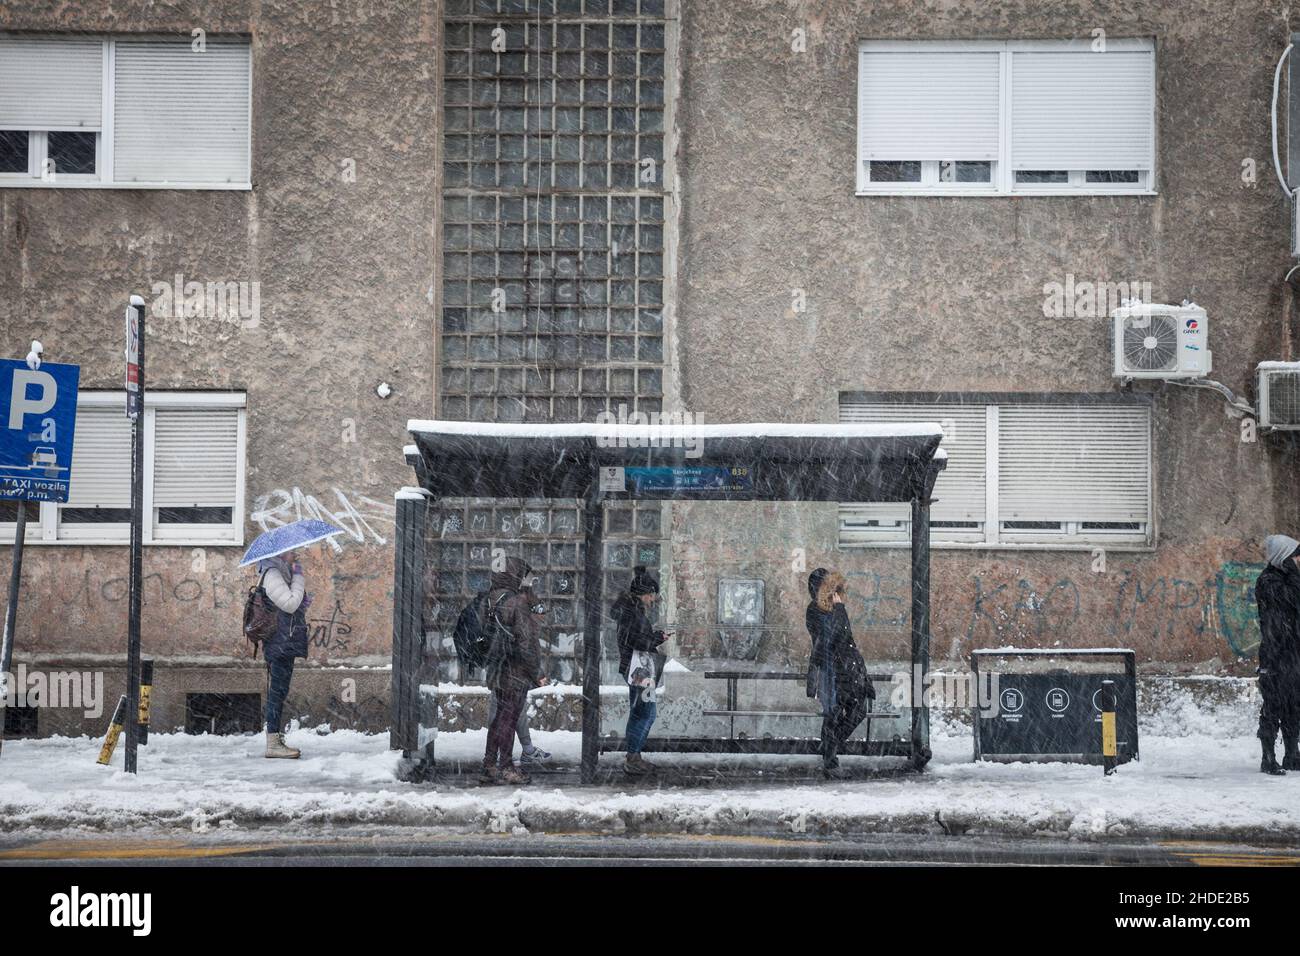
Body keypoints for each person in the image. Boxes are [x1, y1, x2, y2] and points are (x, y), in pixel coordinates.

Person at [481, 557, 546, 785]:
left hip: (497, 669)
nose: (527, 581)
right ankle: (506, 766)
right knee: (508, 719)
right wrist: (535, 672)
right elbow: (526, 643)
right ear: (517, 576)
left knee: (500, 718)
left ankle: (489, 764)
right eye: (525, 577)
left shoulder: (491, 599)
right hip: (515, 671)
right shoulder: (517, 602)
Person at [805, 567, 873, 779]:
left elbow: (845, 639)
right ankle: (830, 759)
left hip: (848, 669)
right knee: (833, 715)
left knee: (858, 710)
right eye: (833, 589)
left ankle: (830, 747)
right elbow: (834, 636)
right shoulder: (816, 610)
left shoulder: (834, 610)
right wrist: (839, 610)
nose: (838, 594)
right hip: (831, 671)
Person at [612, 565, 667, 776]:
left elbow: (634, 638)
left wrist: (654, 637)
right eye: (652, 595)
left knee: (638, 713)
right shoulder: (632, 613)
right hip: (640, 673)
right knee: (647, 713)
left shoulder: (630, 610)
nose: (653, 599)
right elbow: (635, 640)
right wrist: (657, 638)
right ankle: (633, 757)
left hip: (636, 670)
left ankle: (634, 756)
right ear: (645, 594)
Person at [257, 550, 312, 759]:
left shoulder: (281, 573)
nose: (295, 555)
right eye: (291, 552)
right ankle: (273, 743)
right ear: (280, 554)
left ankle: (275, 739)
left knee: (280, 691)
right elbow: (289, 604)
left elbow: (298, 605)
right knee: (277, 692)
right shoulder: (272, 574)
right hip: (279, 642)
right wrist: (299, 576)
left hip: (285, 640)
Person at [1254, 534, 1300, 774]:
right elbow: (1292, 598)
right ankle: (1268, 758)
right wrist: (1293, 573)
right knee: (1273, 705)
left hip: (1293, 652)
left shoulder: (1289, 578)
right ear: (1283, 557)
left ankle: (1293, 754)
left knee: (1294, 705)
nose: (1298, 559)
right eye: (1294, 555)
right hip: (1275, 653)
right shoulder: (1268, 580)